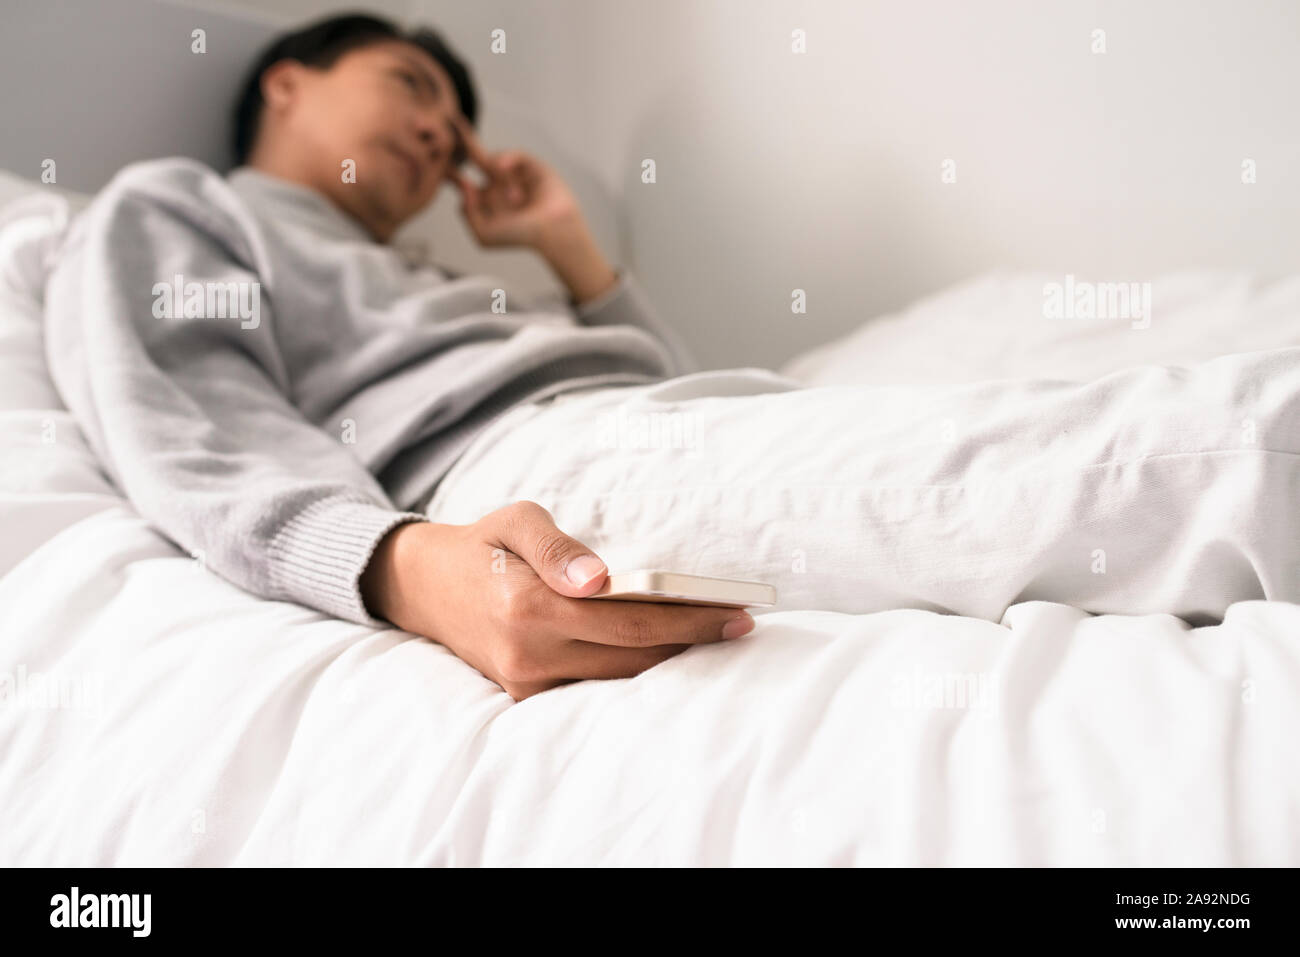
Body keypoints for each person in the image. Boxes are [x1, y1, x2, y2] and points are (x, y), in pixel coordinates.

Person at [41, 14, 1300, 702]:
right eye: (411, 83)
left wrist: (570, 253)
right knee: (1136, 451)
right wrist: (402, 567)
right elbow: (187, 410)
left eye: (453, 113)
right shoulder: (186, 207)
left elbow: (661, 393)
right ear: (285, 86)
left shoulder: (430, 277)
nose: (439, 128)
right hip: (517, 479)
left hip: (619, 428)